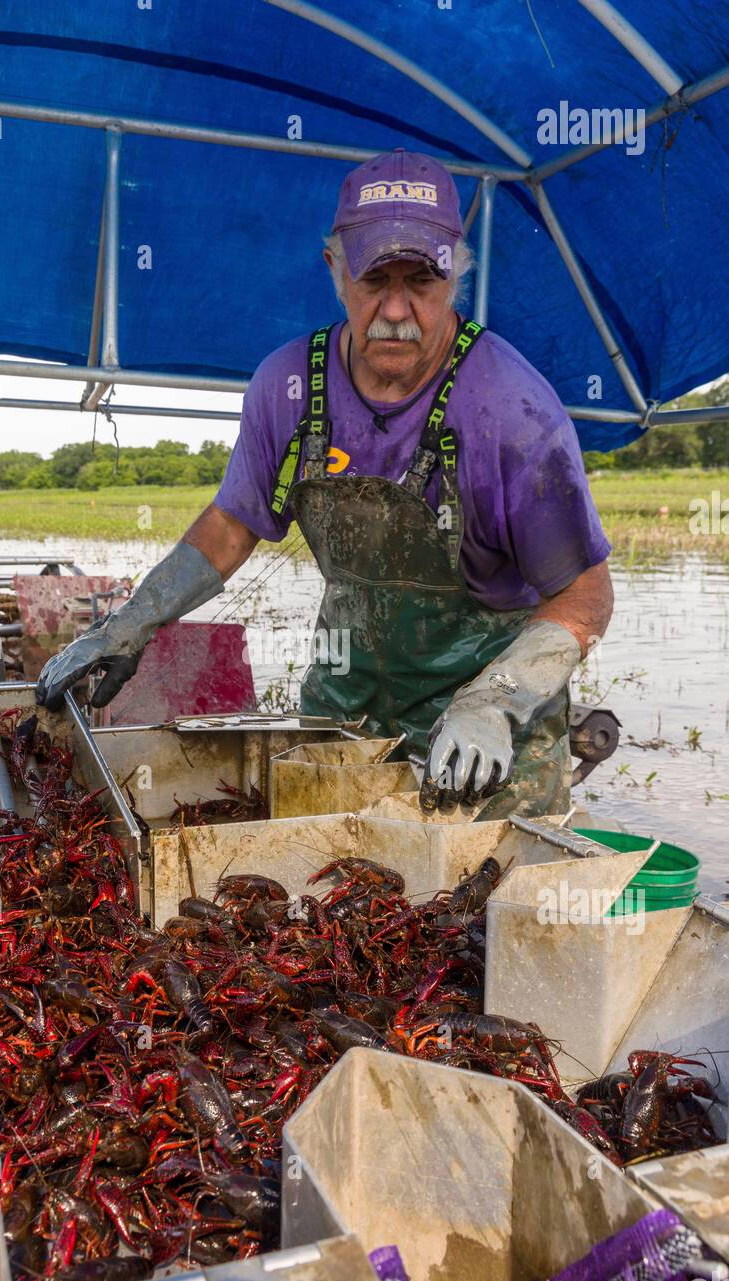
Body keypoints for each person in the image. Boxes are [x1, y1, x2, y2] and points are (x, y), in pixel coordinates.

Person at [37, 148, 613, 818]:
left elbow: (584, 596)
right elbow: (233, 524)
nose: (396, 312)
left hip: (483, 714)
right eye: (374, 280)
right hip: (348, 692)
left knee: (489, 894)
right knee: (320, 873)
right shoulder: (287, 389)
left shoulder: (513, 413)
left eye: (421, 283)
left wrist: (495, 699)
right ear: (335, 270)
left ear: (456, 275)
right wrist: (136, 618)